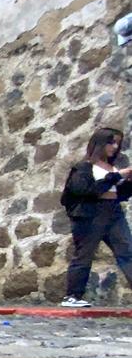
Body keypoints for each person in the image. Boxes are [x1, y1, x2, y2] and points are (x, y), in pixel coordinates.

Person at [60, 127, 132, 307]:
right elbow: (85, 190)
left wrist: (128, 182)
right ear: (99, 143)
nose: (114, 146)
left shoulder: (112, 167)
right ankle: (72, 296)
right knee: (84, 254)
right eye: (111, 142)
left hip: (113, 211)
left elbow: (119, 194)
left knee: (127, 252)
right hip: (91, 214)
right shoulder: (85, 167)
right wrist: (115, 176)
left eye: (117, 143)